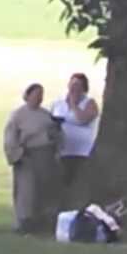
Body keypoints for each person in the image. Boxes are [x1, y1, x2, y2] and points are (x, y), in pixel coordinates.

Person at [3, 83, 61, 234]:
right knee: (26, 191)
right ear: (27, 96)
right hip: (26, 156)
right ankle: (24, 222)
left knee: (43, 190)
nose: (39, 98)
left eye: (41, 95)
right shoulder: (18, 115)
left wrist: (56, 140)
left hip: (45, 156)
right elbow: (10, 137)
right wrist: (16, 154)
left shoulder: (46, 115)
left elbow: (56, 135)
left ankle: (41, 221)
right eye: (35, 94)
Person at [50, 72, 99, 207]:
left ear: (84, 87)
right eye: (72, 84)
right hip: (63, 150)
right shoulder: (58, 103)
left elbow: (83, 119)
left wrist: (73, 105)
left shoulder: (89, 103)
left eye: (77, 85)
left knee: (78, 184)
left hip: (82, 152)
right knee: (61, 184)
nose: (74, 88)